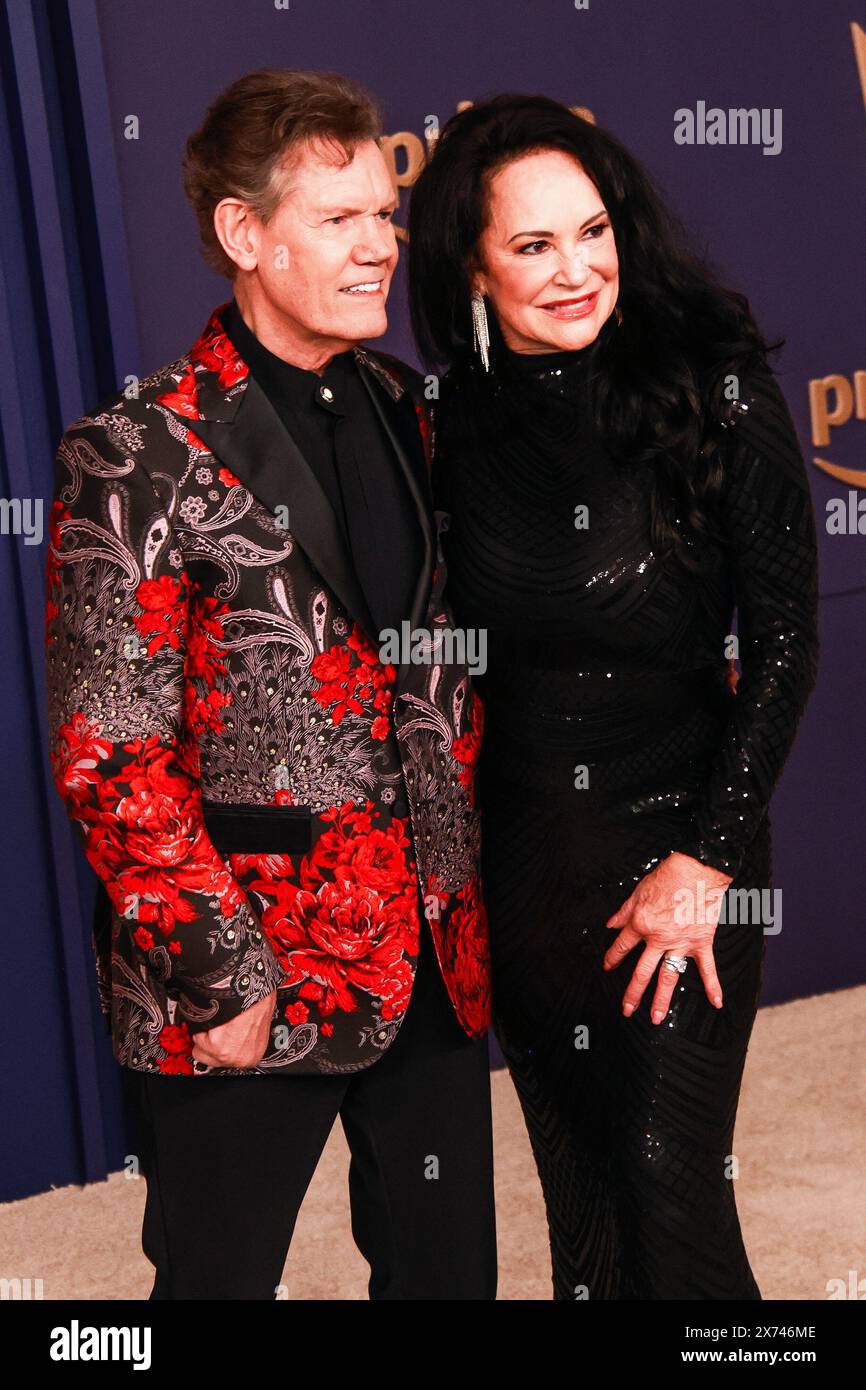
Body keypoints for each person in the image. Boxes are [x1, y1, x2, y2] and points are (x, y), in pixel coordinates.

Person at [45, 68, 495, 1301]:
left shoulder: (412, 408)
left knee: (449, 1280)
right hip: (243, 964)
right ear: (246, 235)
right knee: (214, 1284)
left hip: (431, 958)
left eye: (384, 216)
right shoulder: (139, 448)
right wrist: (219, 968)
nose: (379, 248)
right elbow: (108, 746)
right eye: (338, 219)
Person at [408, 93, 819, 1300]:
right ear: (472, 269)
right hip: (528, 868)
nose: (577, 269)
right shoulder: (442, 424)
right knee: (584, 1212)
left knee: (667, 1188)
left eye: (593, 232)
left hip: (685, 851)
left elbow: (786, 644)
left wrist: (705, 861)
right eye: (533, 246)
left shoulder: (715, 394)